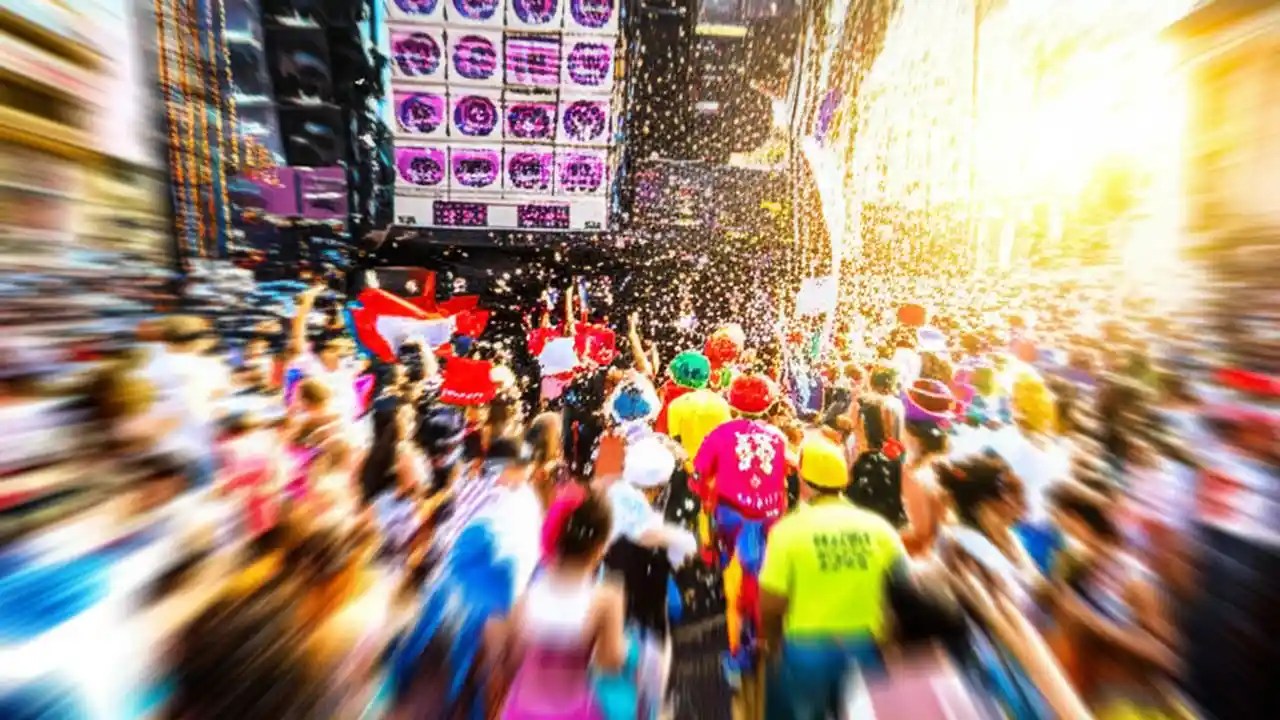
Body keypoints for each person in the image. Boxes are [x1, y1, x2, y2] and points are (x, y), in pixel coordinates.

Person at [759, 436, 909, 720]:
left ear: (804, 481)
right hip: (868, 646)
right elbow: (905, 589)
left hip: (806, 649)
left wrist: (772, 641)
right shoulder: (879, 528)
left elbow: (771, 601)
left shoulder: (788, 531)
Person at [496, 486, 627, 719]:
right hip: (571, 710)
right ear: (601, 547)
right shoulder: (607, 598)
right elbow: (611, 662)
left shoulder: (526, 596)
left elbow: (511, 662)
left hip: (522, 709)